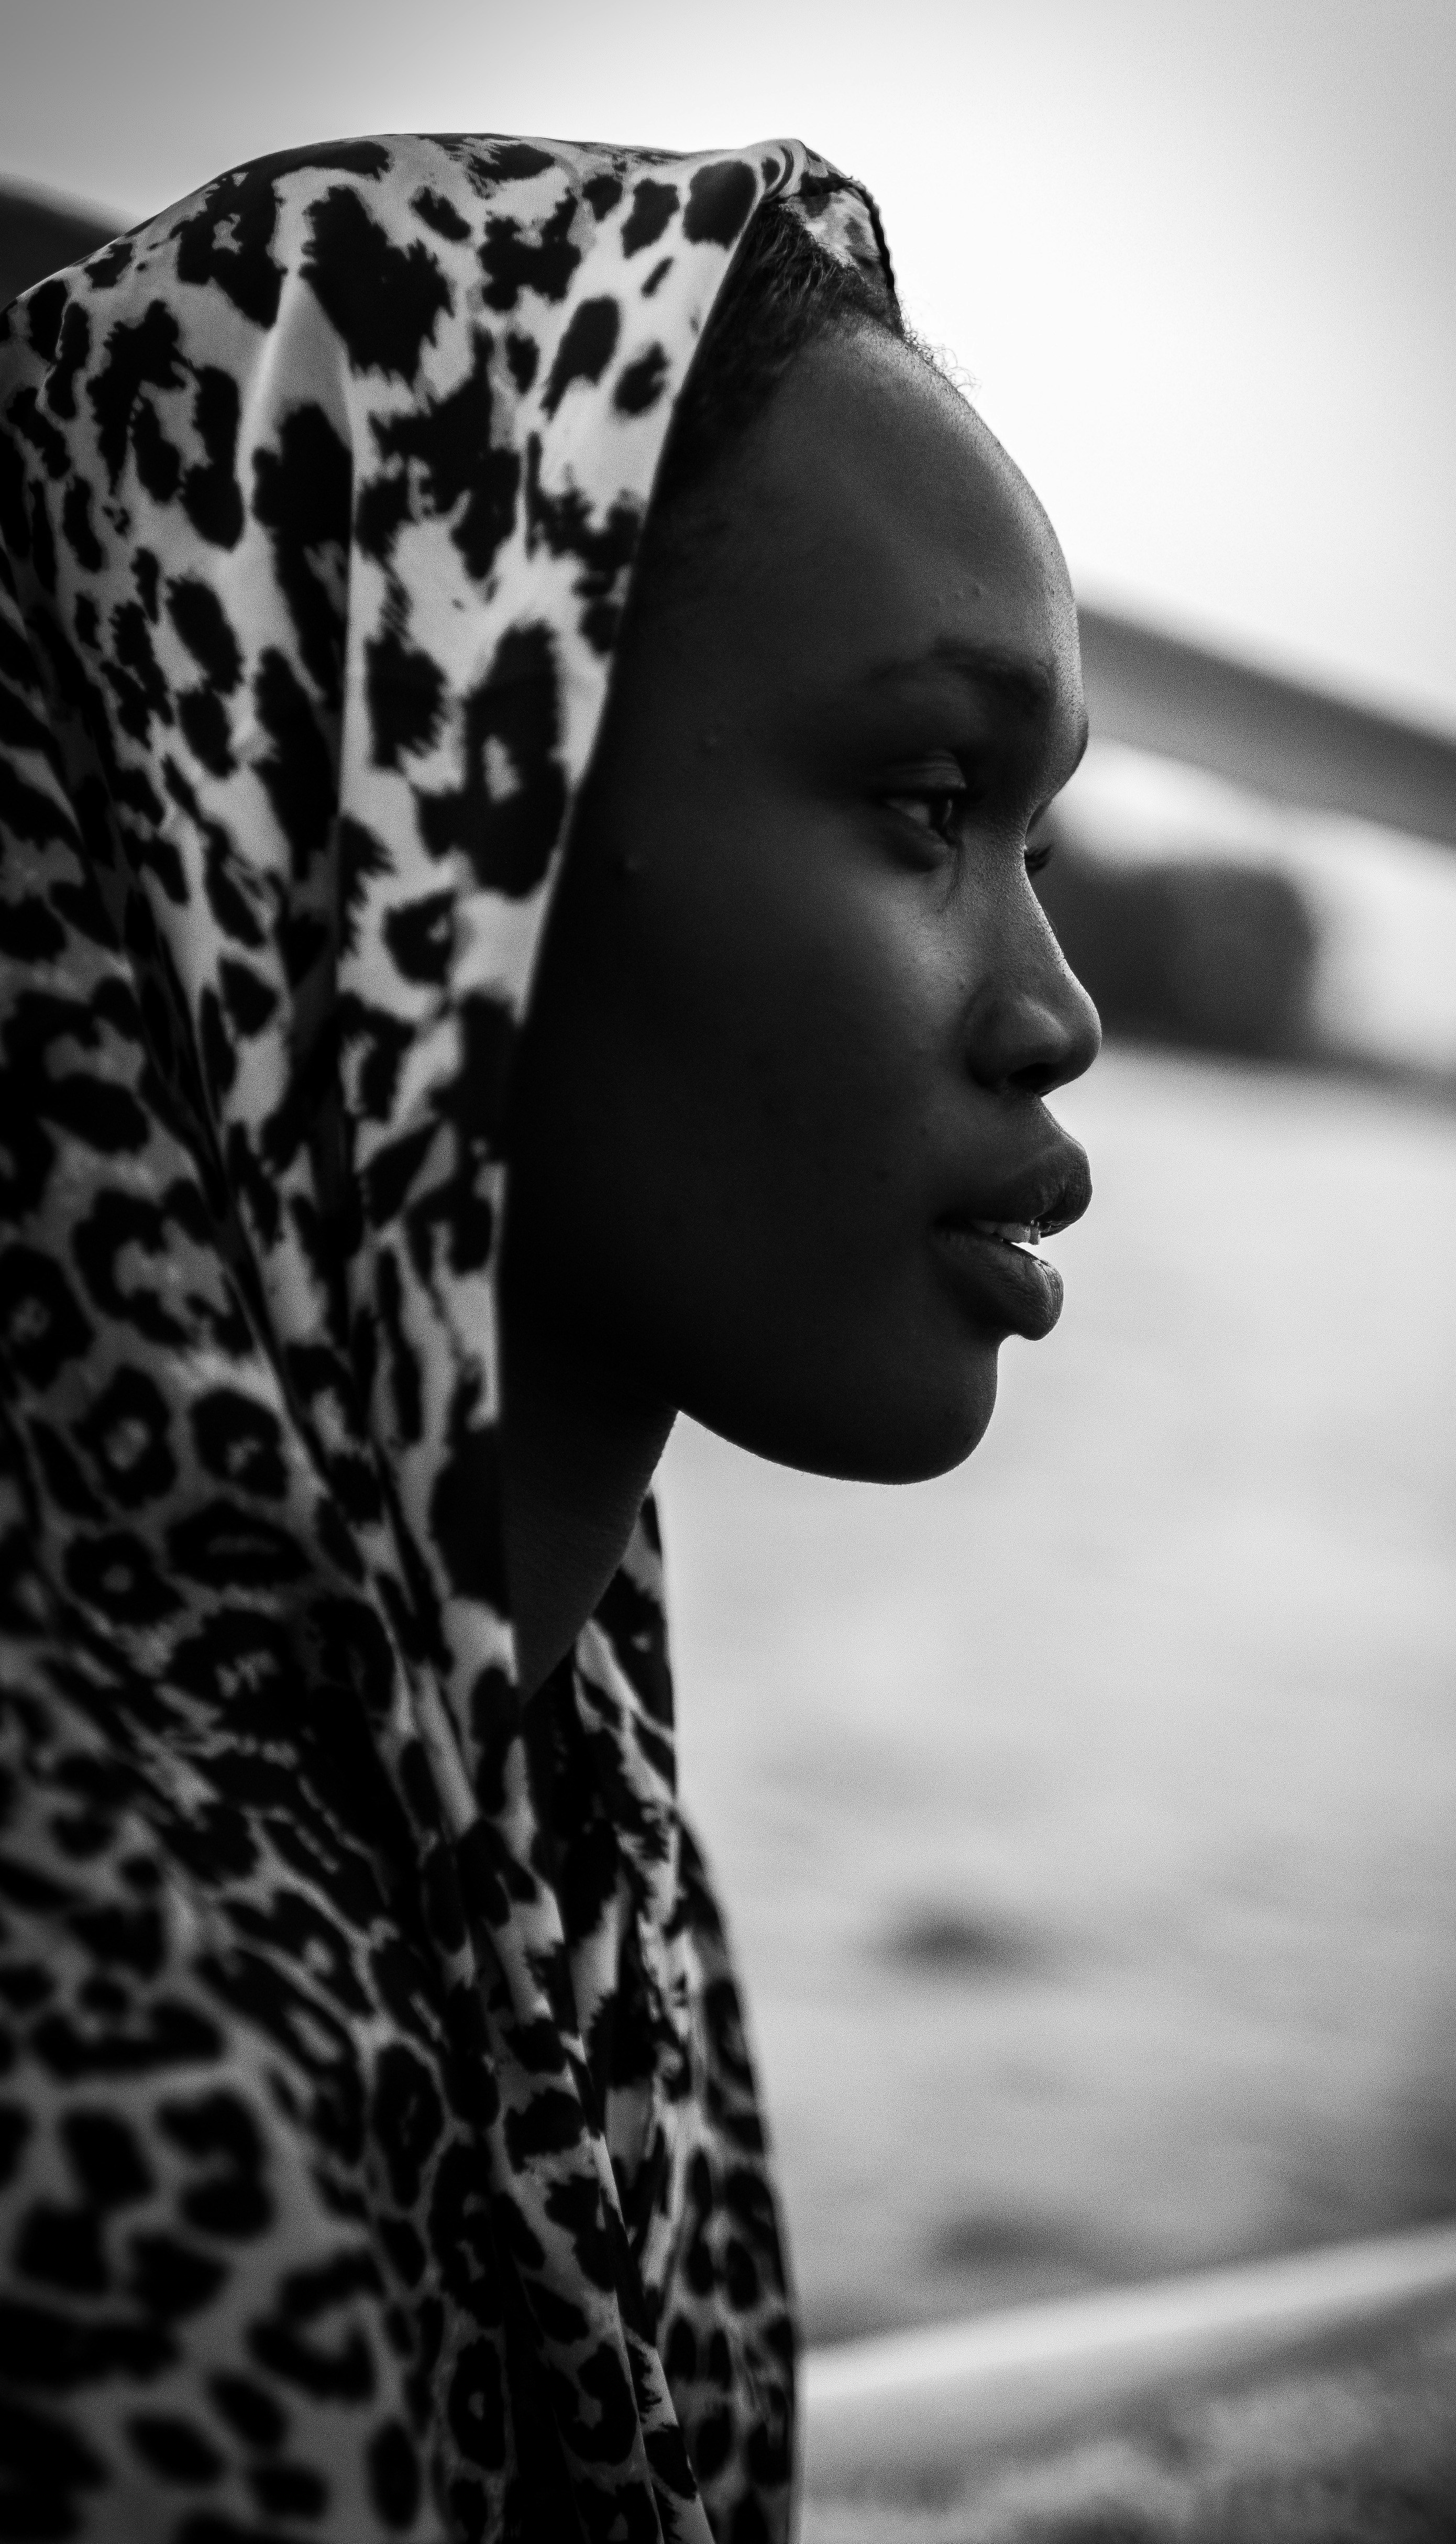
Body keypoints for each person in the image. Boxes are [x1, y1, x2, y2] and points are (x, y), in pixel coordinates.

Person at [0, 131, 1098, 2543]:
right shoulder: (86, 1993)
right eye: (924, 801)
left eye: (1038, 835)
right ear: (406, 801)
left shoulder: (563, 1822)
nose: (1057, 1012)